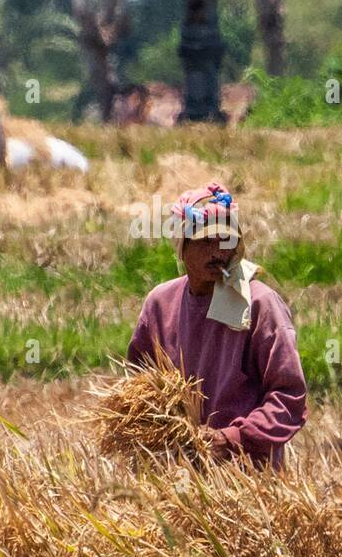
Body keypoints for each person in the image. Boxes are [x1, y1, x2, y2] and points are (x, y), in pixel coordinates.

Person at [127, 182, 307, 468]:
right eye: (204, 241)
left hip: (248, 481)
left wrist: (234, 439)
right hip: (176, 476)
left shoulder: (259, 304)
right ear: (182, 247)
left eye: (225, 240)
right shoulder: (160, 305)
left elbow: (289, 397)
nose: (217, 251)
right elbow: (137, 390)